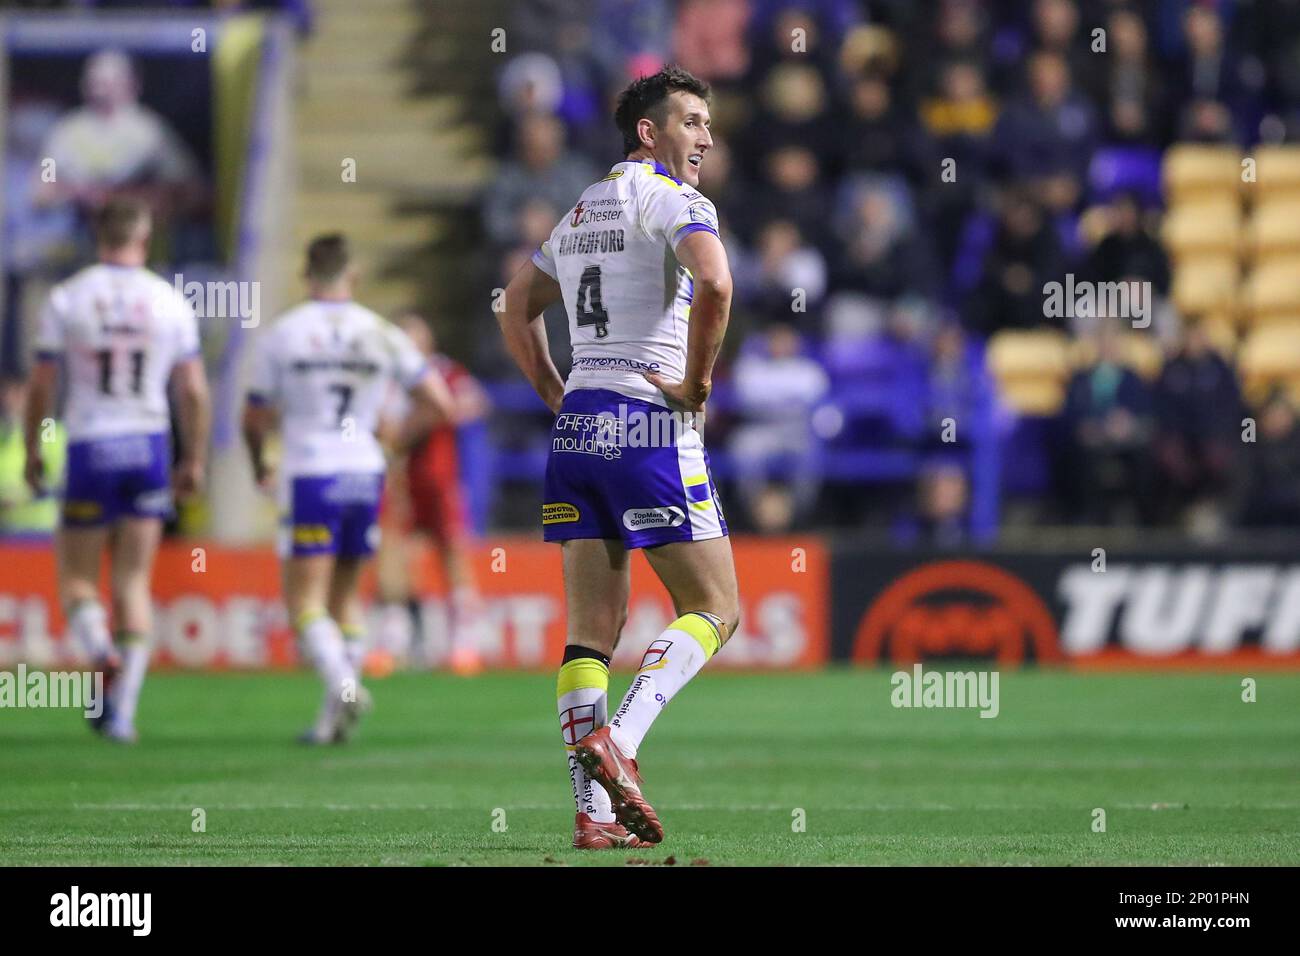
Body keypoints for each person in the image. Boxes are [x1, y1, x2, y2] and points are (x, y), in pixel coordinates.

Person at [496, 66, 740, 850]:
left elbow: (514, 306)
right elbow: (717, 283)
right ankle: (623, 743)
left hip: (580, 429)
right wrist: (698, 382)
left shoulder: (581, 209)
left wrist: (554, 392)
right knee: (717, 608)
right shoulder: (674, 200)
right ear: (650, 131)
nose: (704, 136)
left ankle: (592, 814)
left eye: (707, 123)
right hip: (649, 421)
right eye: (693, 121)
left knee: (590, 634)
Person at [241, 235, 454, 745]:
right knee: (345, 596)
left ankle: (344, 683)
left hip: (311, 471)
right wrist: (397, 442)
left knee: (304, 601)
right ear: (353, 276)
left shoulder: (284, 334)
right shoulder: (380, 333)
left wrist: (258, 463)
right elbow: (441, 404)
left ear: (306, 276)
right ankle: (330, 721)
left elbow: (253, 416)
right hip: (364, 472)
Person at [22, 197, 211, 742]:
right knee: (133, 582)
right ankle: (122, 713)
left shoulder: (69, 297)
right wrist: (192, 457)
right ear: (145, 238)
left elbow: (40, 382)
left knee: (78, 578)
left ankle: (100, 649)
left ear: (97, 236)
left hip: (89, 443)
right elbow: (193, 388)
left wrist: (36, 448)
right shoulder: (168, 300)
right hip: (148, 444)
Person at [374, 315, 489, 675]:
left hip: (439, 478)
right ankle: (394, 643)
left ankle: (464, 643)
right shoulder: (386, 379)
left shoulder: (444, 372)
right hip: (398, 479)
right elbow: (381, 426)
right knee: (393, 550)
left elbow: (475, 403)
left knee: (453, 550)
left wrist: (422, 419)